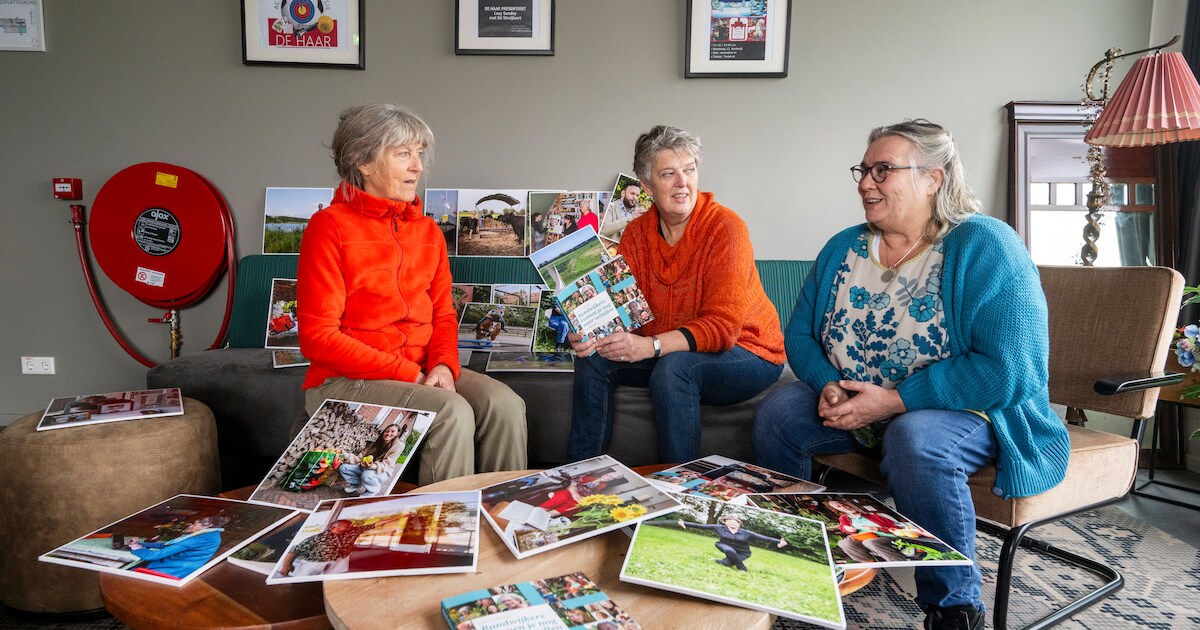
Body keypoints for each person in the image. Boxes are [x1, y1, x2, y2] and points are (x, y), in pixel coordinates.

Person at [752, 119, 1069, 630]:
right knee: (778, 413)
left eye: (883, 170)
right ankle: (798, 555)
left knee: (916, 439)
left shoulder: (986, 245)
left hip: (972, 411)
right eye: (863, 170)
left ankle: (953, 607)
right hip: (858, 406)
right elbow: (801, 335)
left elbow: (1011, 370)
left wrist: (895, 401)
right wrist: (828, 384)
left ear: (933, 179)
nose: (864, 183)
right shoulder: (844, 247)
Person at [298, 103, 527, 485]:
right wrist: (412, 375)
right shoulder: (329, 228)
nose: (417, 166)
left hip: (422, 370)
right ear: (363, 161)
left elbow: (442, 314)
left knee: (505, 404)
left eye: (419, 153)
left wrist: (442, 366)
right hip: (344, 377)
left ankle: (502, 517)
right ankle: (444, 529)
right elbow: (318, 338)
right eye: (403, 153)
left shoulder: (428, 232)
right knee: (451, 411)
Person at [565, 125, 785, 464]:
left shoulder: (726, 228)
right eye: (669, 174)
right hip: (672, 347)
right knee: (594, 359)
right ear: (647, 187)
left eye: (690, 170)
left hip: (748, 350)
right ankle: (580, 476)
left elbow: (723, 328)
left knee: (674, 367)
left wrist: (651, 346)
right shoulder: (636, 234)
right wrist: (592, 336)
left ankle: (681, 491)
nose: (683, 183)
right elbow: (627, 315)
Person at [126, 516, 227, 579]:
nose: (190, 525)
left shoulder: (198, 539)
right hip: (183, 571)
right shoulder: (212, 535)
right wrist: (142, 544)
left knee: (128, 571)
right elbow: (166, 545)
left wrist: (137, 548)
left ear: (208, 525)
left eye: (195, 523)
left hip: (168, 571)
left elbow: (154, 556)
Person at [677, 516, 787, 572]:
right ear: (725, 522)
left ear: (739, 524)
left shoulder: (747, 533)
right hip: (723, 545)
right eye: (729, 521)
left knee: (726, 564)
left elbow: (765, 538)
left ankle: (718, 560)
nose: (732, 522)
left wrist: (779, 542)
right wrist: (684, 523)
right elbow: (701, 526)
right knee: (730, 551)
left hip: (743, 553)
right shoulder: (719, 528)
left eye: (735, 521)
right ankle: (742, 569)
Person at [339, 420, 407, 496]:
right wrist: (345, 454)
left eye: (392, 431)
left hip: (383, 472)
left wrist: (371, 466)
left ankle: (373, 490)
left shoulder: (399, 446)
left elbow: (386, 464)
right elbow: (359, 458)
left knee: (367, 475)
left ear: (397, 434)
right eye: (387, 431)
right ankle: (356, 484)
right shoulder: (374, 444)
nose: (388, 433)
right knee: (344, 468)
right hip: (367, 468)